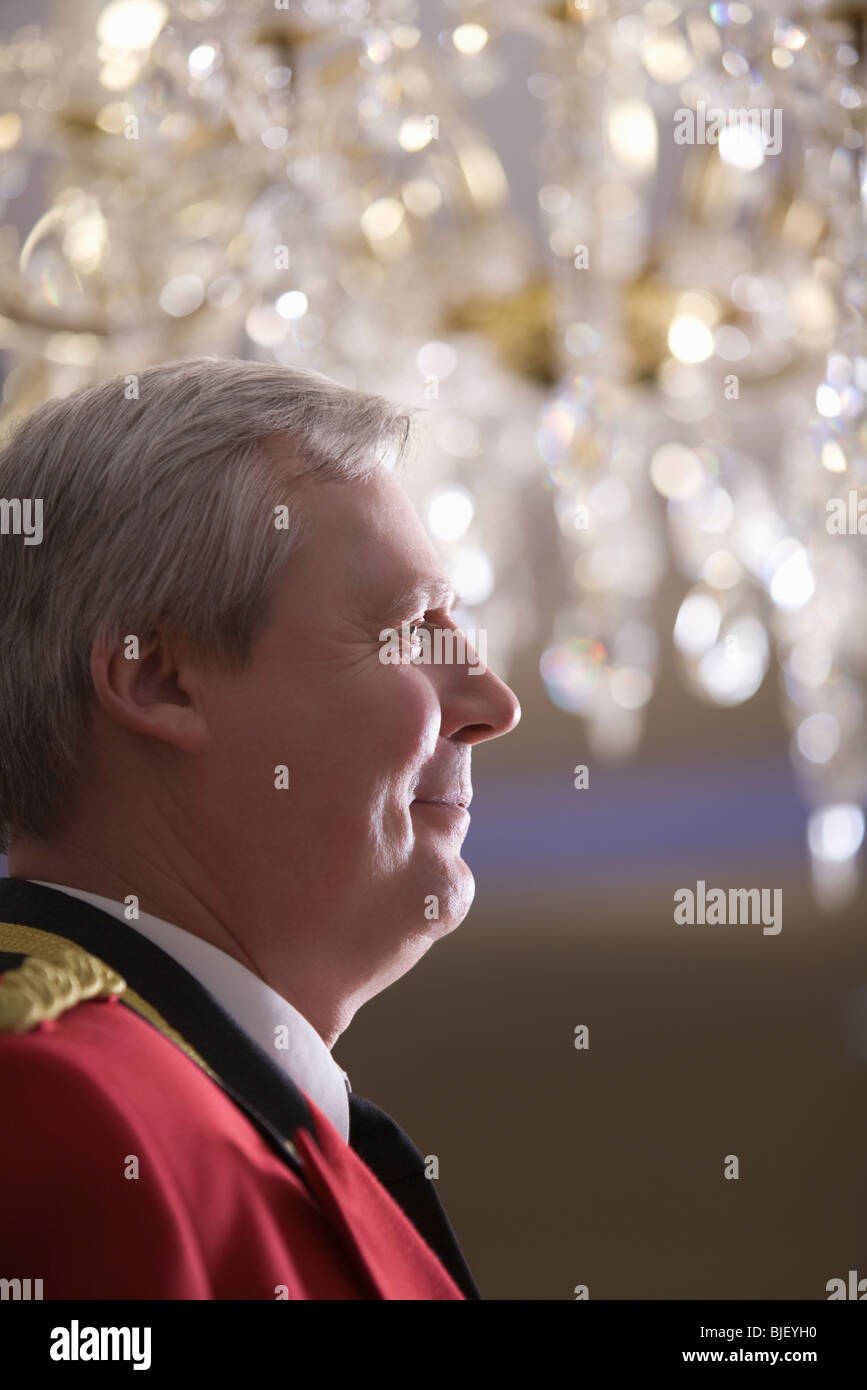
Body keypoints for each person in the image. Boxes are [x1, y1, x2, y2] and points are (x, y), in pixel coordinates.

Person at [0, 357, 520, 1300]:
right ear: (157, 678)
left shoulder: (212, 1111)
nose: (492, 703)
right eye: (408, 634)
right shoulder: (55, 1111)